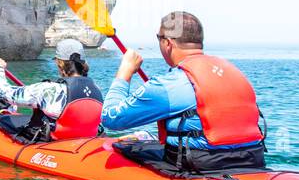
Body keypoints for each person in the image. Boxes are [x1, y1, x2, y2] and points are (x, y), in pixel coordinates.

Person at [100, 11, 266, 171]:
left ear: (167, 43)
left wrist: (126, 70)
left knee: (127, 146)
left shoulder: (167, 85)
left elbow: (110, 118)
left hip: (201, 163)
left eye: (158, 38)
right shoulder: (235, 73)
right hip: (253, 159)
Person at [0, 38, 104, 142]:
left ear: (60, 64)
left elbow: (7, 93)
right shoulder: (97, 89)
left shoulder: (49, 90)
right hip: (85, 140)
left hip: (55, 141)